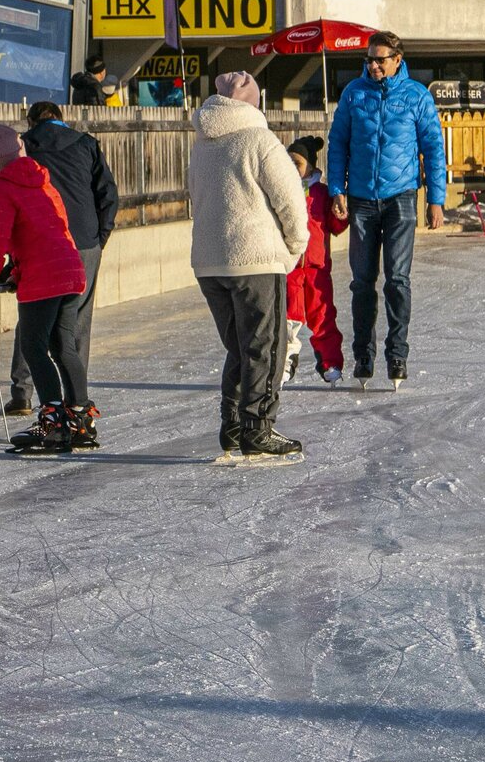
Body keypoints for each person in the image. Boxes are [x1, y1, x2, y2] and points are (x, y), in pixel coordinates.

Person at [189, 72, 310, 460]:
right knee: (265, 347)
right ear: (253, 103)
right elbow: (290, 199)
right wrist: (294, 246)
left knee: (240, 348)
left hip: (210, 262)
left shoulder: (202, 144)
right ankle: (258, 427)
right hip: (255, 259)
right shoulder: (259, 140)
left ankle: (233, 426)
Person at [328, 32, 447, 388]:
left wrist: (436, 199)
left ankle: (397, 354)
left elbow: (433, 148)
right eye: (369, 59)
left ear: (398, 59)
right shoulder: (354, 94)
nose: (374, 65)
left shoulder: (416, 96)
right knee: (362, 283)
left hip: (401, 198)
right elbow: (338, 144)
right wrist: (338, 189)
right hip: (362, 199)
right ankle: (363, 355)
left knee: (397, 280)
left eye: (380, 59)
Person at [0, 124, 89, 454]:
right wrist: (16, 268)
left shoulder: (2, 187)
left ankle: (53, 421)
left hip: (44, 277)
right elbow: (50, 229)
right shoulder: (41, 179)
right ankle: (79, 416)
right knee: (63, 345)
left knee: (34, 347)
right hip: (69, 267)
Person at [13, 102, 119, 417]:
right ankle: (77, 398)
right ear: (61, 119)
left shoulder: (25, 146)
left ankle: (22, 392)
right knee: (77, 321)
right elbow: (107, 193)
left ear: (30, 121)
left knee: (32, 318)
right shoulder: (86, 143)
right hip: (84, 241)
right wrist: (100, 236)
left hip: (41, 242)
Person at [285, 135, 347, 384]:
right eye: (287, 162)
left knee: (322, 316)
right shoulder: (282, 192)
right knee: (288, 316)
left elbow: (334, 226)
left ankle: (330, 362)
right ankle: (286, 360)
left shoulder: (321, 193)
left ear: (310, 167)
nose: (291, 167)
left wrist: (341, 215)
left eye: (297, 163)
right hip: (290, 267)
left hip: (317, 269)